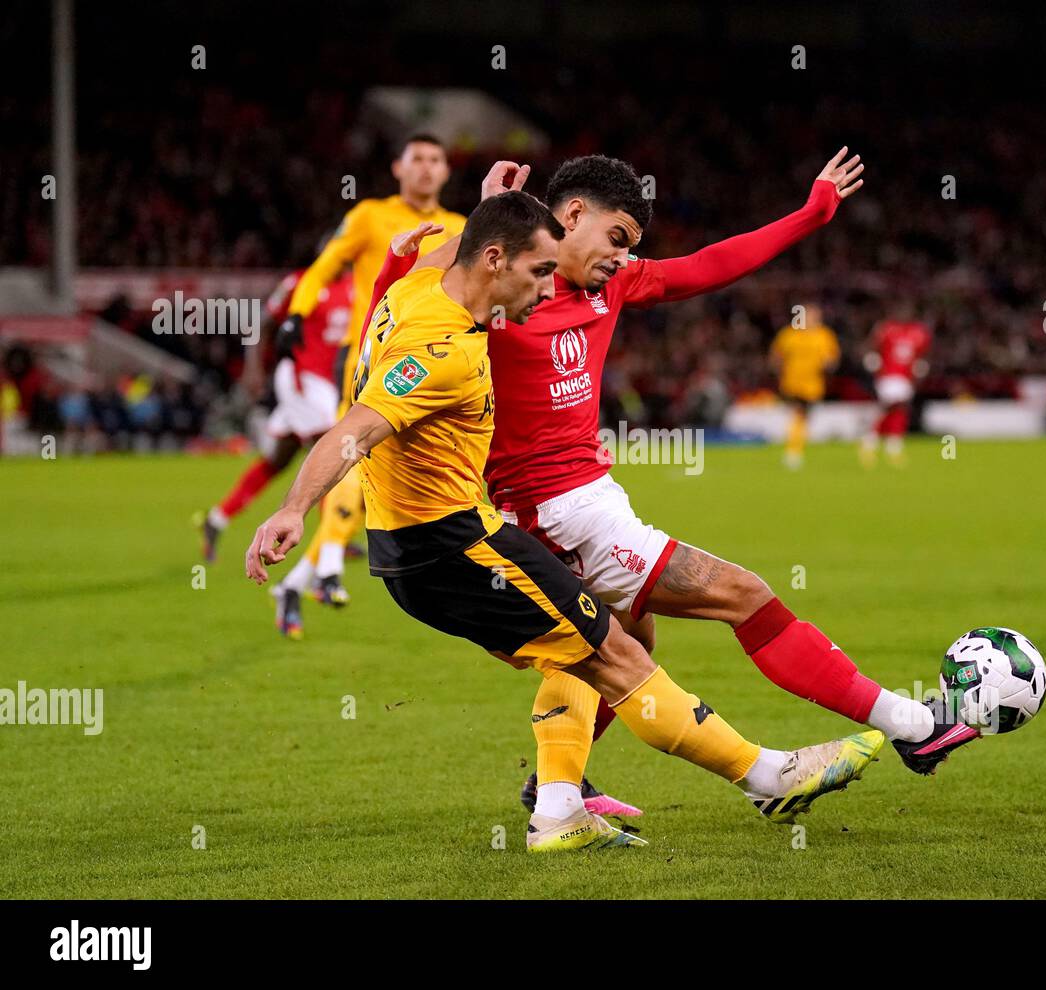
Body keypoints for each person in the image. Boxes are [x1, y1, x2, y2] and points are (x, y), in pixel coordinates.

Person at [245, 191, 885, 852]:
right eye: (538, 273)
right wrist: (295, 507)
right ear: (495, 261)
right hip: (455, 547)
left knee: (586, 646)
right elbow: (355, 431)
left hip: (420, 547)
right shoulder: (448, 352)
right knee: (617, 653)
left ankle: (556, 810)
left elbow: (422, 265)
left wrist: (487, 201)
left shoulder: (415, 291)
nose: (547, 289)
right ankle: (768, 775)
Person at [368, 152, 978, 824]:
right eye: (617, 238)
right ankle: (910, 725)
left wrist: (809, 215)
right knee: (743, 597)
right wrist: (474, 217)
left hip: (583, 499)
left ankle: (558, 795)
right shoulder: (503, 296)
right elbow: (418, 307)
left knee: (616, 643)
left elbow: (711, 266)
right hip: (558, 511)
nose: (621, 258)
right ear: (572, 215)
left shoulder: (612, 287)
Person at [216, 134, 465, 632]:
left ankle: (300, 580)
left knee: (389, 478)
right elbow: (324, 266)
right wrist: (297, 315)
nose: (425, 168)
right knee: (353, 452)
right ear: (397, 167)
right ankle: (328, 564)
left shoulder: (461, 228)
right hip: (372, 358)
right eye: (416, 158)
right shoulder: (370, 216)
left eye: (435, 160)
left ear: (446, 171)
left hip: (439, 366)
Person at [197, 268, 352, 597]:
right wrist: (254, 368)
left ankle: (217, 518)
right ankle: (331, 547)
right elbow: (265, 322)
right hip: (302, 380)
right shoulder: (302, 282)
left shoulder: (356, 286)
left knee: (279, 460)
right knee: (333, 454)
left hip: (326, 387)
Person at [770, 303, 841, 469]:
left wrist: (828, 365)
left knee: (802, 416)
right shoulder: (790, 334)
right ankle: (793, 452)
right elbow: (776, 355)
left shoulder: (824, 335)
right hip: (793, 382)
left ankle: (794, 449)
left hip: (813, 384)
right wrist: (778, 371)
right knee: (799, 413)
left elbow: (832, 358)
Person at [861, 303, 931, 466]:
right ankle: (872, 440)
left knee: (899, 410)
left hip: (906, 378)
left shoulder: (918, 332)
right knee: (892, 406)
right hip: (888, 375)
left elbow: (924, 354)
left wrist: (920, 369)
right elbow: (871, 347)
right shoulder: (886, 329)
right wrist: (872, 361)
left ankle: (890, 444)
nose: (903, 312)